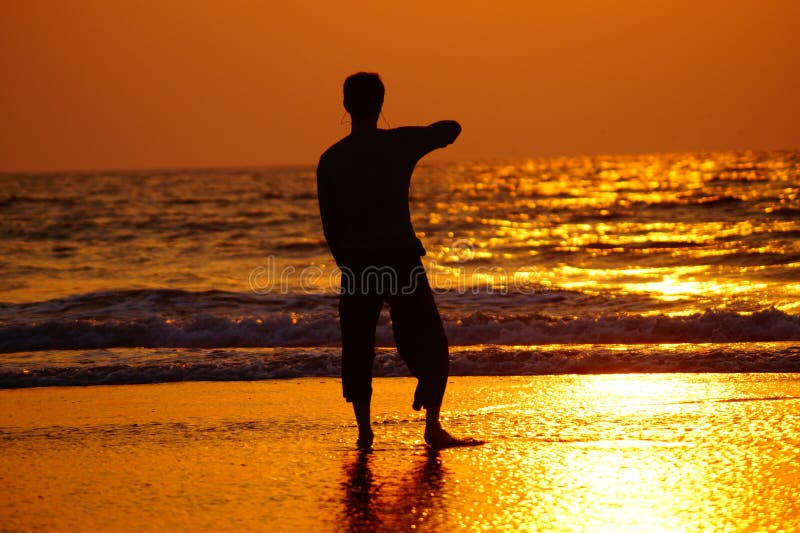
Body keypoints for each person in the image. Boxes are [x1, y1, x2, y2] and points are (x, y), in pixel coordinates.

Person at [317, 72, 478, 449]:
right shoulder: (399, 143)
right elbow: (450, 129)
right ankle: (432, 425)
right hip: (401, 261)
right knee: (430, 341)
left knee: (358, 347)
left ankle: (364, 432)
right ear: (381, 104)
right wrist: (415, 135)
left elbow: (330, 226)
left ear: (346, 105)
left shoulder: (331, 160)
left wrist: (347, 265)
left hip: (358, 266)